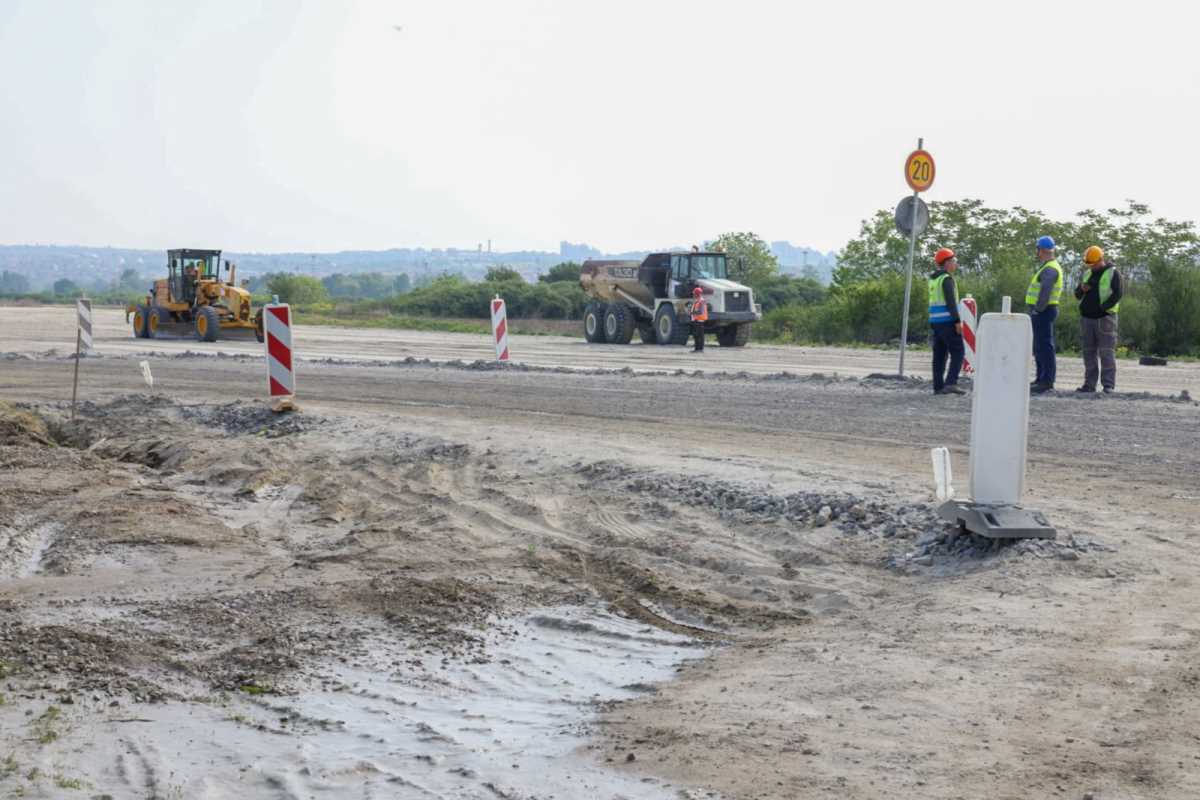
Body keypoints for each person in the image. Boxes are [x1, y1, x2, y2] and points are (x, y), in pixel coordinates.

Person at [1074, 245, 1122, 393]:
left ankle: (1108, 385)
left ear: (1101, 259)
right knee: (1088, 353)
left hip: (1105, 319)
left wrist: (1103, 308)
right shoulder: (1088, 273)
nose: (1091, 267)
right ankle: (1089, 385)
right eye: (1089, 264)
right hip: (1087, 319)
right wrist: (1081, 289)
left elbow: (1118, 294)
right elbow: (1077, 294)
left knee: (1106, 352)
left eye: (1093, 264)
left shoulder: (1113, 273)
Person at [1025, 235, 1063, 393]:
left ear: (1041, 250)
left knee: (1044, 346)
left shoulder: (1050, 268)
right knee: (1039, 346)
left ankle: (1046, 381)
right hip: (1044, 311)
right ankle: (1041, 378)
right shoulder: (1048, 266)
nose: (1037, 252)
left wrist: (1037, 310)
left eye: (1038, 249)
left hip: (1044, 311)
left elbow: (1045, 292)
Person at [928, 248, 965, 395]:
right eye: (954, 261)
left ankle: (938, 387)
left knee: (939, 355)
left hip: (935, 322)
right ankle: (951, 383)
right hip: (948, 321)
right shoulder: (946, 279)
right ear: (947, 262)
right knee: (958, 351)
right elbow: (951, 302)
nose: (956, 264)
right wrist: (957, 321)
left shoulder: (933, 279)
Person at [689, 286, 708, 352]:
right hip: (696, 320)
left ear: (697, 294)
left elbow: (700, 311)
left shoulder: (701, 301)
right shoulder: (698, 301)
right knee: (696, 335)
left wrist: (692, 313)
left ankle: (700, 349)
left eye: (694, 293)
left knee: (699, 335)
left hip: (699, 321)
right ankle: (697, 349)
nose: (693, 295)